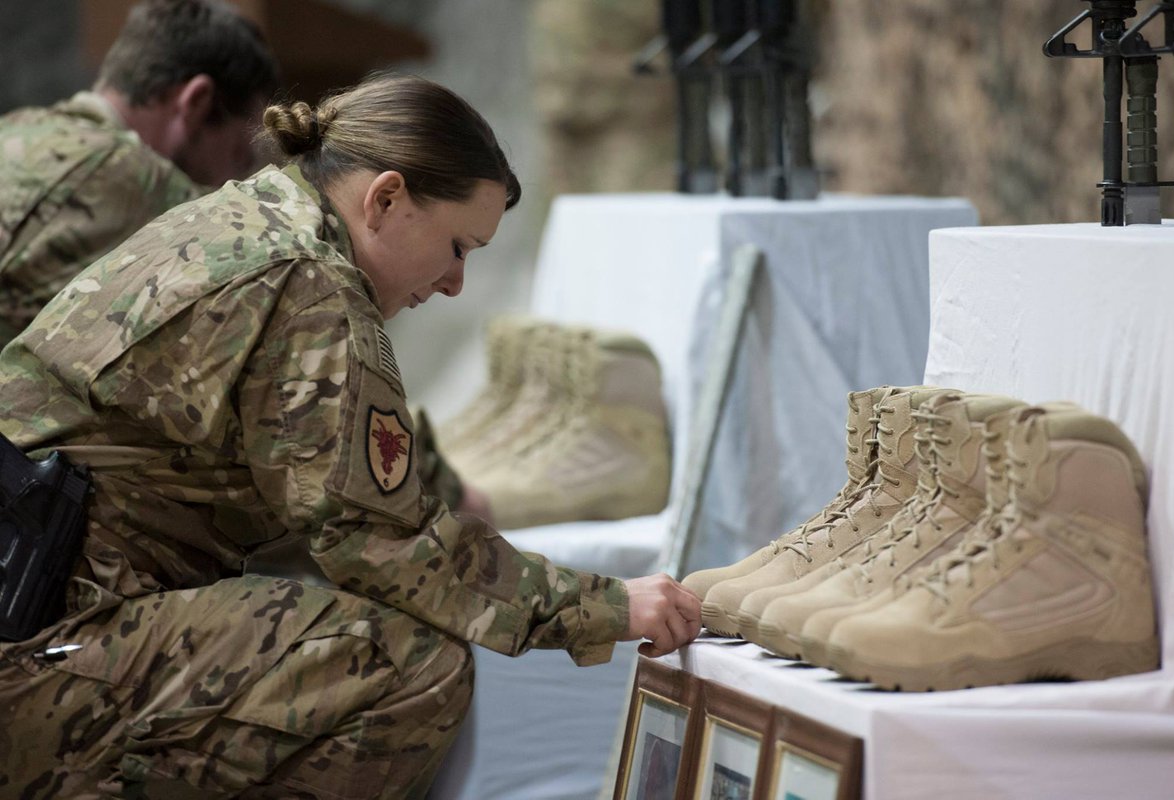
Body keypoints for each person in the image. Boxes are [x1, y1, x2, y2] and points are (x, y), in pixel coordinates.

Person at [0, 73, 701, 798]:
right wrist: (608, 606)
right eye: (459, 246)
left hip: (41, 613)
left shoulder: (236, 218)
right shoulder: (311, 285)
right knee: (406, 666)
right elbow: (384, 546)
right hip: (36, 655)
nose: (457, 281)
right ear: (386, 198)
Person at [0, 0, 280, 350]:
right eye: (240, 154)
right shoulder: (140, 183)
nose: (230, 179)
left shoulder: (16, 128)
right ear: (197, 102)